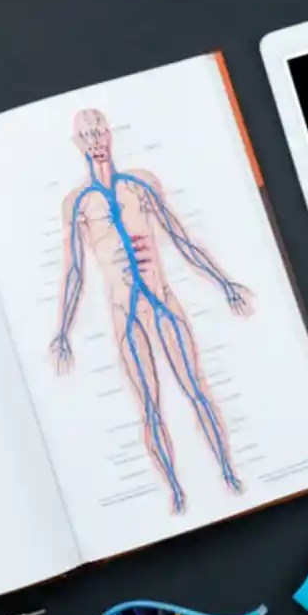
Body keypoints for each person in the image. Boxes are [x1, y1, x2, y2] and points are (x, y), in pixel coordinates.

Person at [50, 109, 255, 513]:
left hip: (162, 302)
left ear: (110, 134)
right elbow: (75, 271)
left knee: (196, 388)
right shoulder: (77, 203)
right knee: (149, 405)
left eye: (100, 131)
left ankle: (228, 471)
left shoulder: (141, 184)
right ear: (77, 144)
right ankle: (175, 491)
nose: (95, 140)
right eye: (86, 135)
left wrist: (224, 282)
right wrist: (63, 330)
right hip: (125, 312)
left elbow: (181, 237)